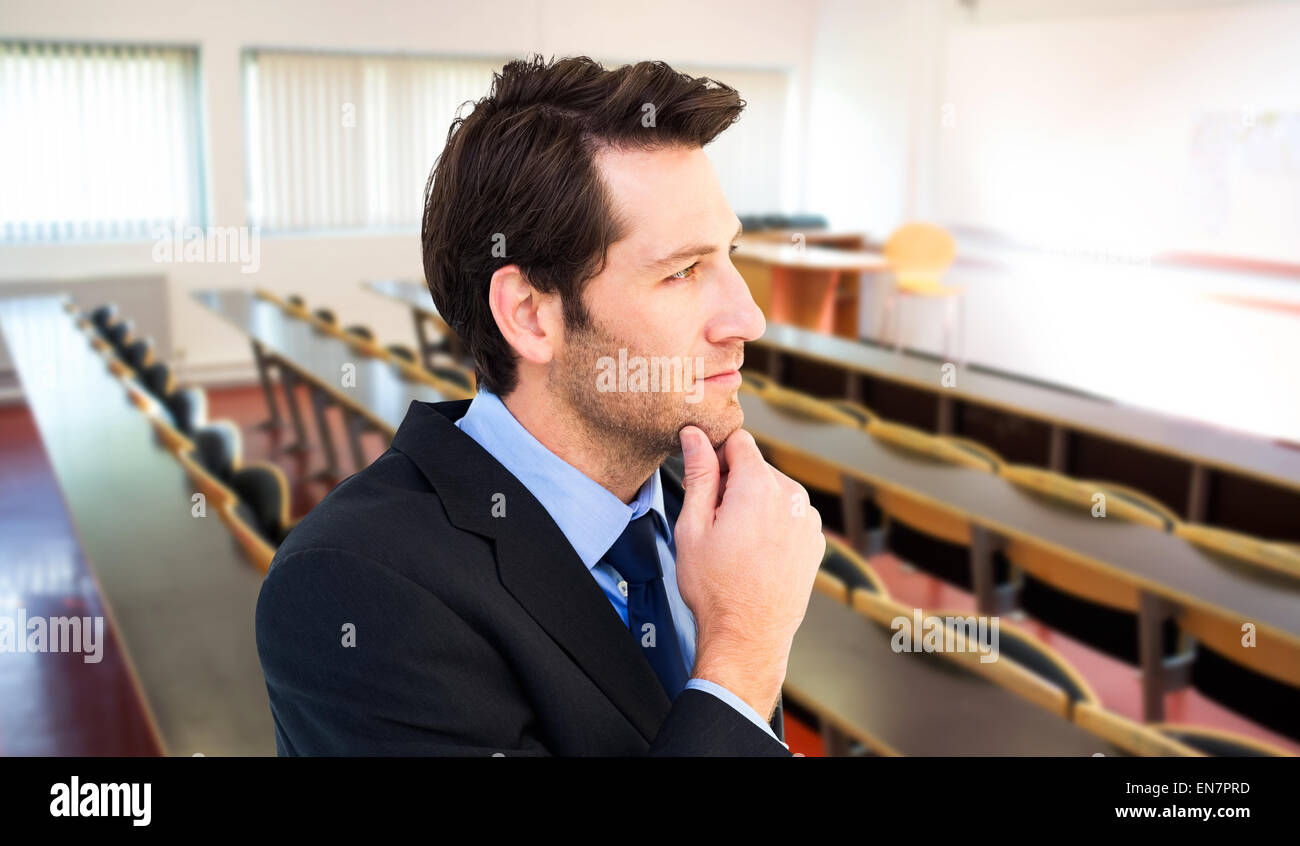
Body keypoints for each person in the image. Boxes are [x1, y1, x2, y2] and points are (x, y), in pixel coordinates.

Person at [255, 54, 825, 756]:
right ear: (529, 314)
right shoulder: (353, 587)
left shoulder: (713, 527)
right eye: (683, 271)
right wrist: (742, 656)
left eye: (730, 255)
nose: (748, 317)